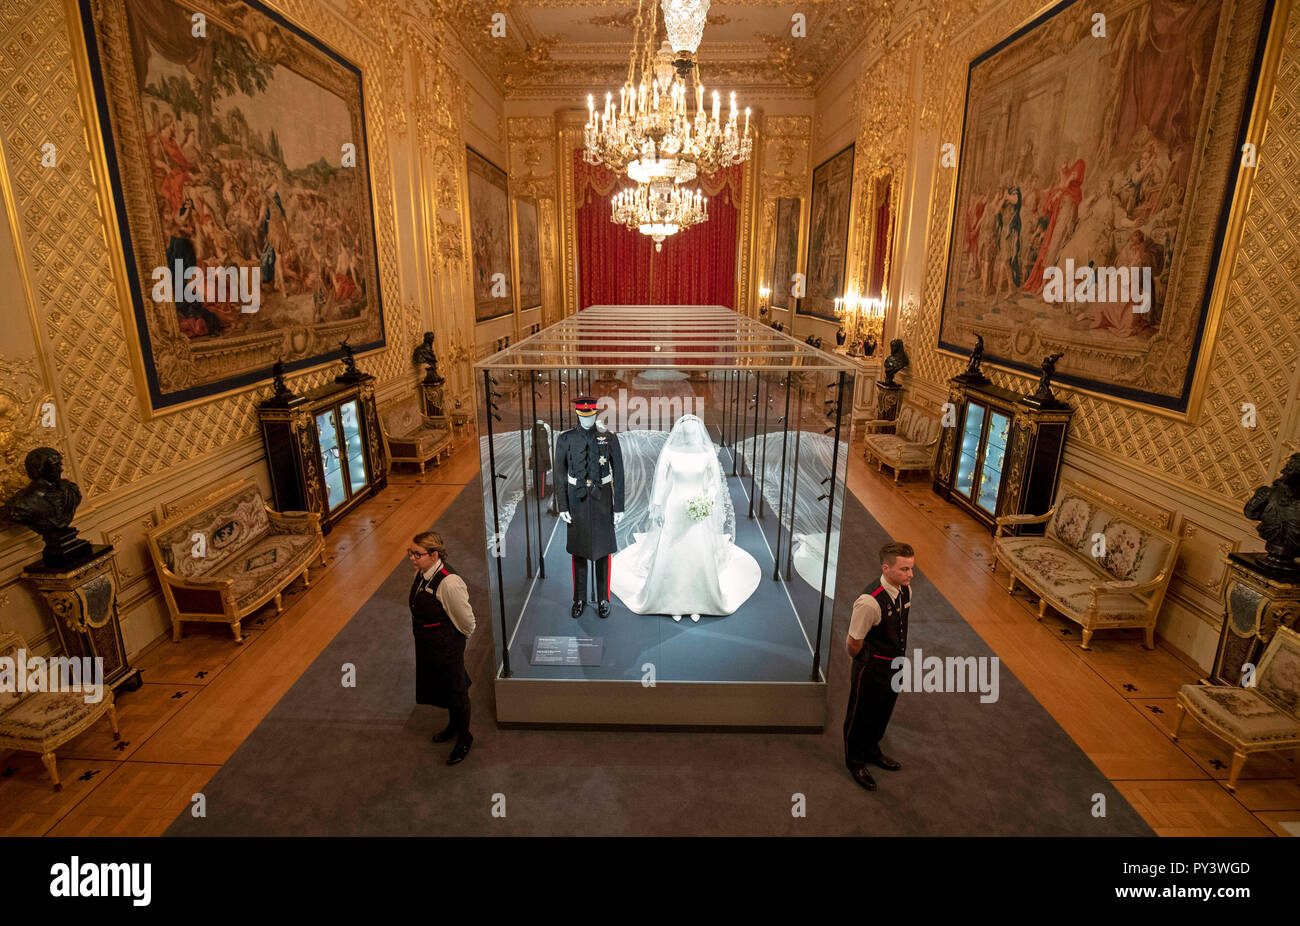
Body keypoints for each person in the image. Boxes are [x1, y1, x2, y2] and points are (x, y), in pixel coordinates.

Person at [843, 541, 915, 791]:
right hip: (871, 669)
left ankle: (872, 749)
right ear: (886, 568)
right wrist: (867, 662)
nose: (910, 575)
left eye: (911, 569)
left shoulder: (906, 591)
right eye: (905, 569)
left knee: (883, 711)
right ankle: (854, 760)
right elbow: (853, 643)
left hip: (896, 667)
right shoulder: (868, 602)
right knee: (860, 714)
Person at [407, 531, 476, 765]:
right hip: (429, 644)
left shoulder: (449, 582)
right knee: (445, 686)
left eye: (417, 554)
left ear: (434, 555)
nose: (412, 558)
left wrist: (453, 643)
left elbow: (467, 622)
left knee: (457, 689)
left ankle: (465, 737)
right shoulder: (422, 572)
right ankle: (453, 725)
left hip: (446, 645)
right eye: (411, 553)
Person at [553, 396, 625, 618]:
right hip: (577, 501)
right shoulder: (565, 439)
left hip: (602, 500)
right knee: (579, 551)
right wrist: (562, 505)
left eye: (591, 415)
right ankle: (579, 598)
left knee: (603, 551)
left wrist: (618, 506)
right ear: (578, 414)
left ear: (595, 414)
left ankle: (603, 598)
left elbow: (619, 473)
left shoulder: (608, 438)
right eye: (584, 416)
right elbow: (559, 475)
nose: (587, 419)